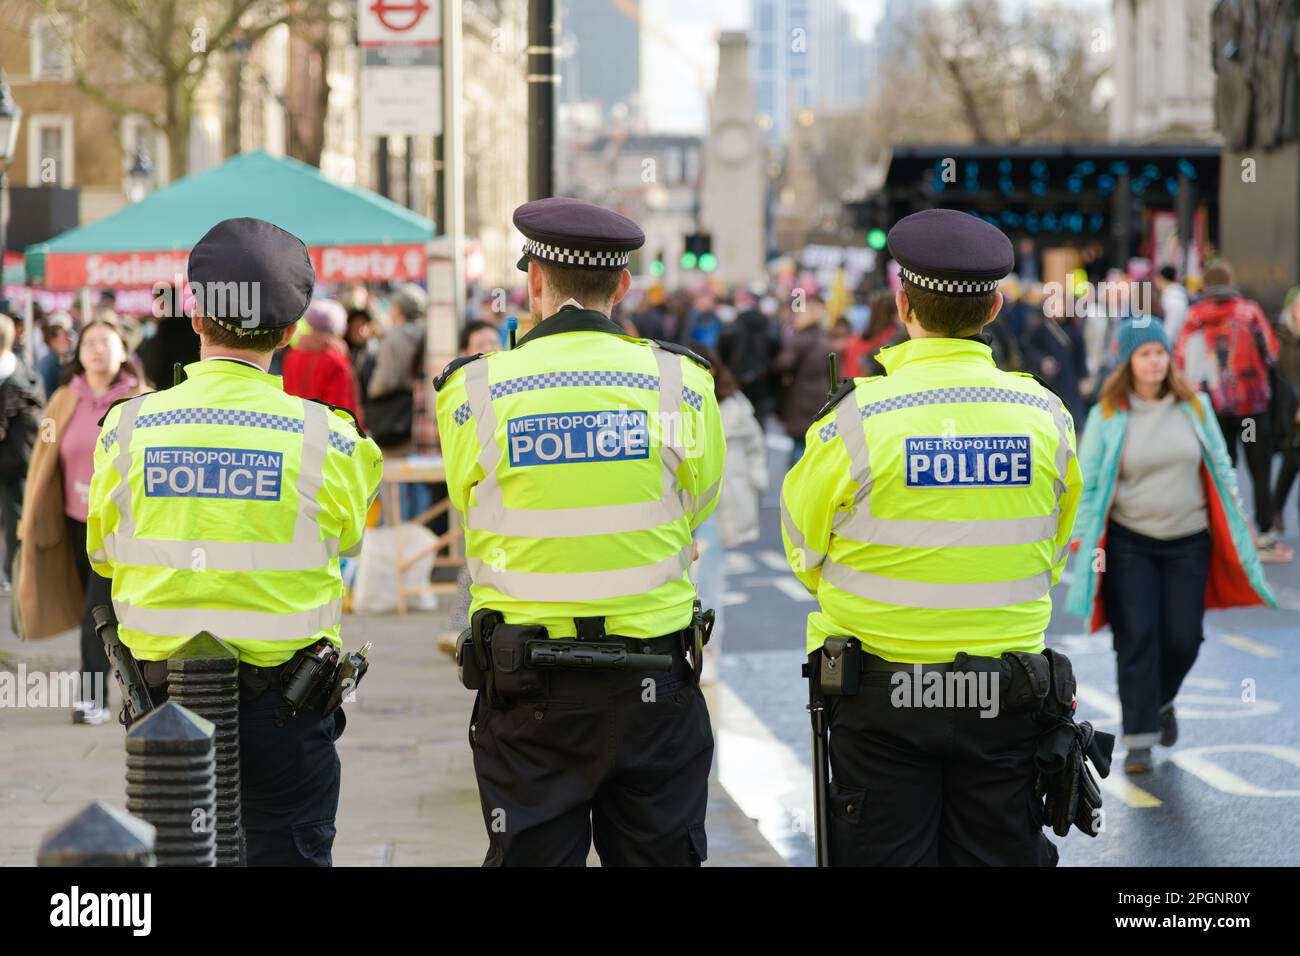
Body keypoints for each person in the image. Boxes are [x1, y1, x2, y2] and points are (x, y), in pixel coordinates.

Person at [780, 209, 1086, 866]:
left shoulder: (853, 419)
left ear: (902, 304)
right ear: (998, 305)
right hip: (1006, 692)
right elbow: (1057, 546)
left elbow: (804, 553)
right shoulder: (1046, 416)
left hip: (882, 695)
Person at [435, 197, 724, 866]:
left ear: (534, 280)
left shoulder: (474, 390)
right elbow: (698, 501)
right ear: (622, 287)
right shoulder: (682, 383)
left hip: (528, 686)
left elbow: (468, 500)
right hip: (654, 681)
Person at [87, 218, 383, 865]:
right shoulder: (329, 439)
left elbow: (103, 554)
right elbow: (351, 538)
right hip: (286, 707)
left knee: (175, 855)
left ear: (195, 316)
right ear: (287, 331)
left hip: (165, 709)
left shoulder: (126, 429)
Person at [1064, 319, 1275, 773]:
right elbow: (1090, 480)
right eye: (1144, 354)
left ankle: (1161, 702)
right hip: (1128, 544)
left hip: (1189, 540)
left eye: (1160, 351)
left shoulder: (1195, 406)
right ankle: (1139, 738)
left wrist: (1238, 515)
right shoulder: (1107, 413)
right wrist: (1083, 538)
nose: (1155, 360)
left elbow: (1220, 462)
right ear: (1128, 362)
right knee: (1136, 636)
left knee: (1184, 637)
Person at [17, 320, 147, 723]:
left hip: (120, 527)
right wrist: (31, 515)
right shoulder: (61, 399)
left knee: (97, 609)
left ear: (124, 352)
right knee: (92, 612)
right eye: (88, 342)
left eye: (105, 342)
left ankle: (92, 698)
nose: (95, 350)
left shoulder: (143, 400)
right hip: (72, 521)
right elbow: (44, 453)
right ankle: (138, 690)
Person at [1174, 262, 1291, 560]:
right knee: (1258, 468)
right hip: (1250, 410)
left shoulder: (1195, 317)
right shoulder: (1249, 312)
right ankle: (1264, 534)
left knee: (1223, 469)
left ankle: (1224, 531)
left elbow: (1182, 359)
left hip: (1214, 410)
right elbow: (1272, 352)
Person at [691, 345, 767, 682]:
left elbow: (755, 446)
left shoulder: (735, 407)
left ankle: (708, 649)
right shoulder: (674, 406)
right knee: (681, 578)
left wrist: (755, 480)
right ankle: (687, 646)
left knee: (707, 578)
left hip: (718, 504)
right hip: (685, 504)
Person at [0, 314, 45, 590]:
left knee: (16, 519)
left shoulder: (26, 381)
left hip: (13, 467)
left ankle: (15, 573)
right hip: (15, 465)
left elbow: (33, 431)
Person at [772, 295, 833, 466]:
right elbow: (835, 373)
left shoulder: (798, 340)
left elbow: (783, 365)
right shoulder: (826, 340)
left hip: (799, 396)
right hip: (821, 395)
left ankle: (796, 484)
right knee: (814, 442)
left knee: (799, 443)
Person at [282, 299, 363, 423]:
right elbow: (342, 407)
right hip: (325, 430)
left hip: (294, 423)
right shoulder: (335, 360)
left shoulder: (293, 354)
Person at [1271, 286, 1300, 532]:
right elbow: (1278, 375)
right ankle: (1276, 507)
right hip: (1287, 405)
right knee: (1291, 458)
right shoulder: (1280, 335)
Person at [37, 311, 74, 399]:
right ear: (53, 341)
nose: (69, 340)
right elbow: (49, 395)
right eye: (65, 337)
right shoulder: (47, 364)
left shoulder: (62, 360)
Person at [1155, 265, 1190, 343]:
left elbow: (1171, 327)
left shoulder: (1172, 298)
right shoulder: (1176, 295)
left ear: (1161, 278)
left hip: (1172, 343)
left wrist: (1163, 343)